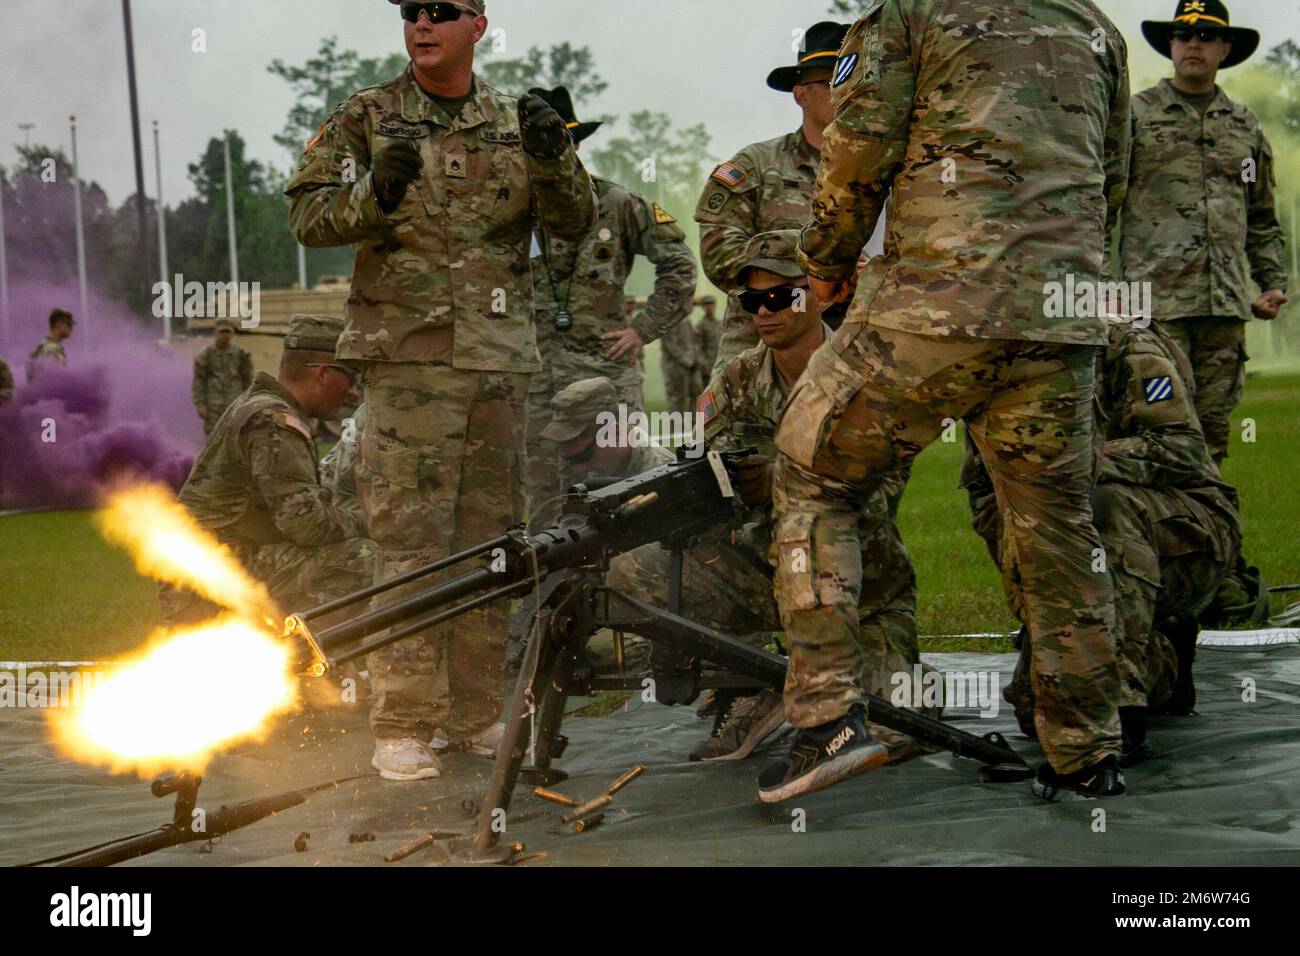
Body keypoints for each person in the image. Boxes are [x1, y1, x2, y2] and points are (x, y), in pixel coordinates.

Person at [766, 0, 1132, 803]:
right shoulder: (1093, 25)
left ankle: (827, 718)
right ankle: (1087, 753)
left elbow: (856, 152)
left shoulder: (907, 15)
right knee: (1057, 528)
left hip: (935, 311)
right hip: (1058, 318)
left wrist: (825, 260)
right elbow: (1114, 176)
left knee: (811, 473)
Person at [285, 0, 596, 782]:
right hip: (408, 363)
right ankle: (401, 723)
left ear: (478, 25)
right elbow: (306, 217)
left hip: (496, 364)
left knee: (488, 546)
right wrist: (372, 196)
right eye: (411, 11)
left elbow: (573, 224)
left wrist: (553, 155)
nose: (422, 24)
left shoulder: (512, 118)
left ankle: (470, 717)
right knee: (409, 545)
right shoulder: (368, 114)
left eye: (442, 11)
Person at [965, 319, 1243, 767]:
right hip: (1068, 530)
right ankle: (1163, 657)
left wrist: (1076, 464)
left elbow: (1183, 451)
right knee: (1034, 709)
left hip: (1185, 529)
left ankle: (1121, 706)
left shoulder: (1126, 346)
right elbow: (985, 489)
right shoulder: (997, 363)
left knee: (1101, 505)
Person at [1113, 0, 1286, 463]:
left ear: (1225, 49)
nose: (1195, 44)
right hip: (1154, 309)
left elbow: (1262, 216)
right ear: (1170, 45)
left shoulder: (1245, 127)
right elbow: (1100, 204)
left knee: (1212, 437)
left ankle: (1202, 532)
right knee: (1157, 426)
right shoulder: (1134, 119)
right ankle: (1151, 529)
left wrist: (1272, 283)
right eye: (1184, 34)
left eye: (1207, 37)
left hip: (1224, 309)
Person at [525, 85, 695, 514]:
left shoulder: (617, 204)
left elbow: (679, 263)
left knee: (628, 498)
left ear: (576, 144)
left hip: (606, 379)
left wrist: (644, 328)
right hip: (535, 385)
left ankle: (632, 582)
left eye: (561, 143)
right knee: (546, 504)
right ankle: (554, 583)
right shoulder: (511, 212)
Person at [166, 315, 375, 631]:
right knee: (367, 559)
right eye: (349, 377)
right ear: (322, 374)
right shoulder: (274, 420)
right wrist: (373, 520)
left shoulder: (264, 406)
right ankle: (311, 659)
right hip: (212, 576)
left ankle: (298, 652)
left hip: (211, 566)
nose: (353, 392)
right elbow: (307, 525)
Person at [694, 22, 849, 376]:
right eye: (832, 83)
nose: (847, 93)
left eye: (853, 81)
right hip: (759, 353)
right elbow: (720, 256)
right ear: (800, 94)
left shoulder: (885, 172)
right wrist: (819, 263)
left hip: (851, 348)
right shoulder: (756, 167)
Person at [191, 320, 254, 435]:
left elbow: (248, 380)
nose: (225, 335)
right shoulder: (206, 354)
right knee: (213, 438)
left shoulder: (241, 354)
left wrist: (249, 403)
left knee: (237, 436)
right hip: (213, 407)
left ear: (232, 334)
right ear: (215, 333)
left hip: (236, 404)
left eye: (228, 332)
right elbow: (199, 381)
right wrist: (200, 405)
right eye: (222, 332)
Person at [660, 308, 699, 415]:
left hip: (690, 366)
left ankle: (694, 428)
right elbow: (671, 347)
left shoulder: (686, 320)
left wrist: (696, 360)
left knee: (696, 396)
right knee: (677, 401)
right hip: (675, 367)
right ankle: (676, 430)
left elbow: (693, 343)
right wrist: (689, 362)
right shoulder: (668, 322)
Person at [26, 308, 73, 383]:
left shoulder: (43, 347)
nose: (71, 329)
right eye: (69, 325)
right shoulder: (51, 349)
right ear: (59, 324)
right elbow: (53, 382)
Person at [691, 295, 720, 395]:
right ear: (703, 307)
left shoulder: (719, 324)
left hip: (719, 364)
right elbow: (697, 347)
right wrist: (704, 365)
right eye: (706, 304)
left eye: (711, 304)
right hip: (707, 366)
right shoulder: (700, 325)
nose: (709, 306)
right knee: (707, 395)